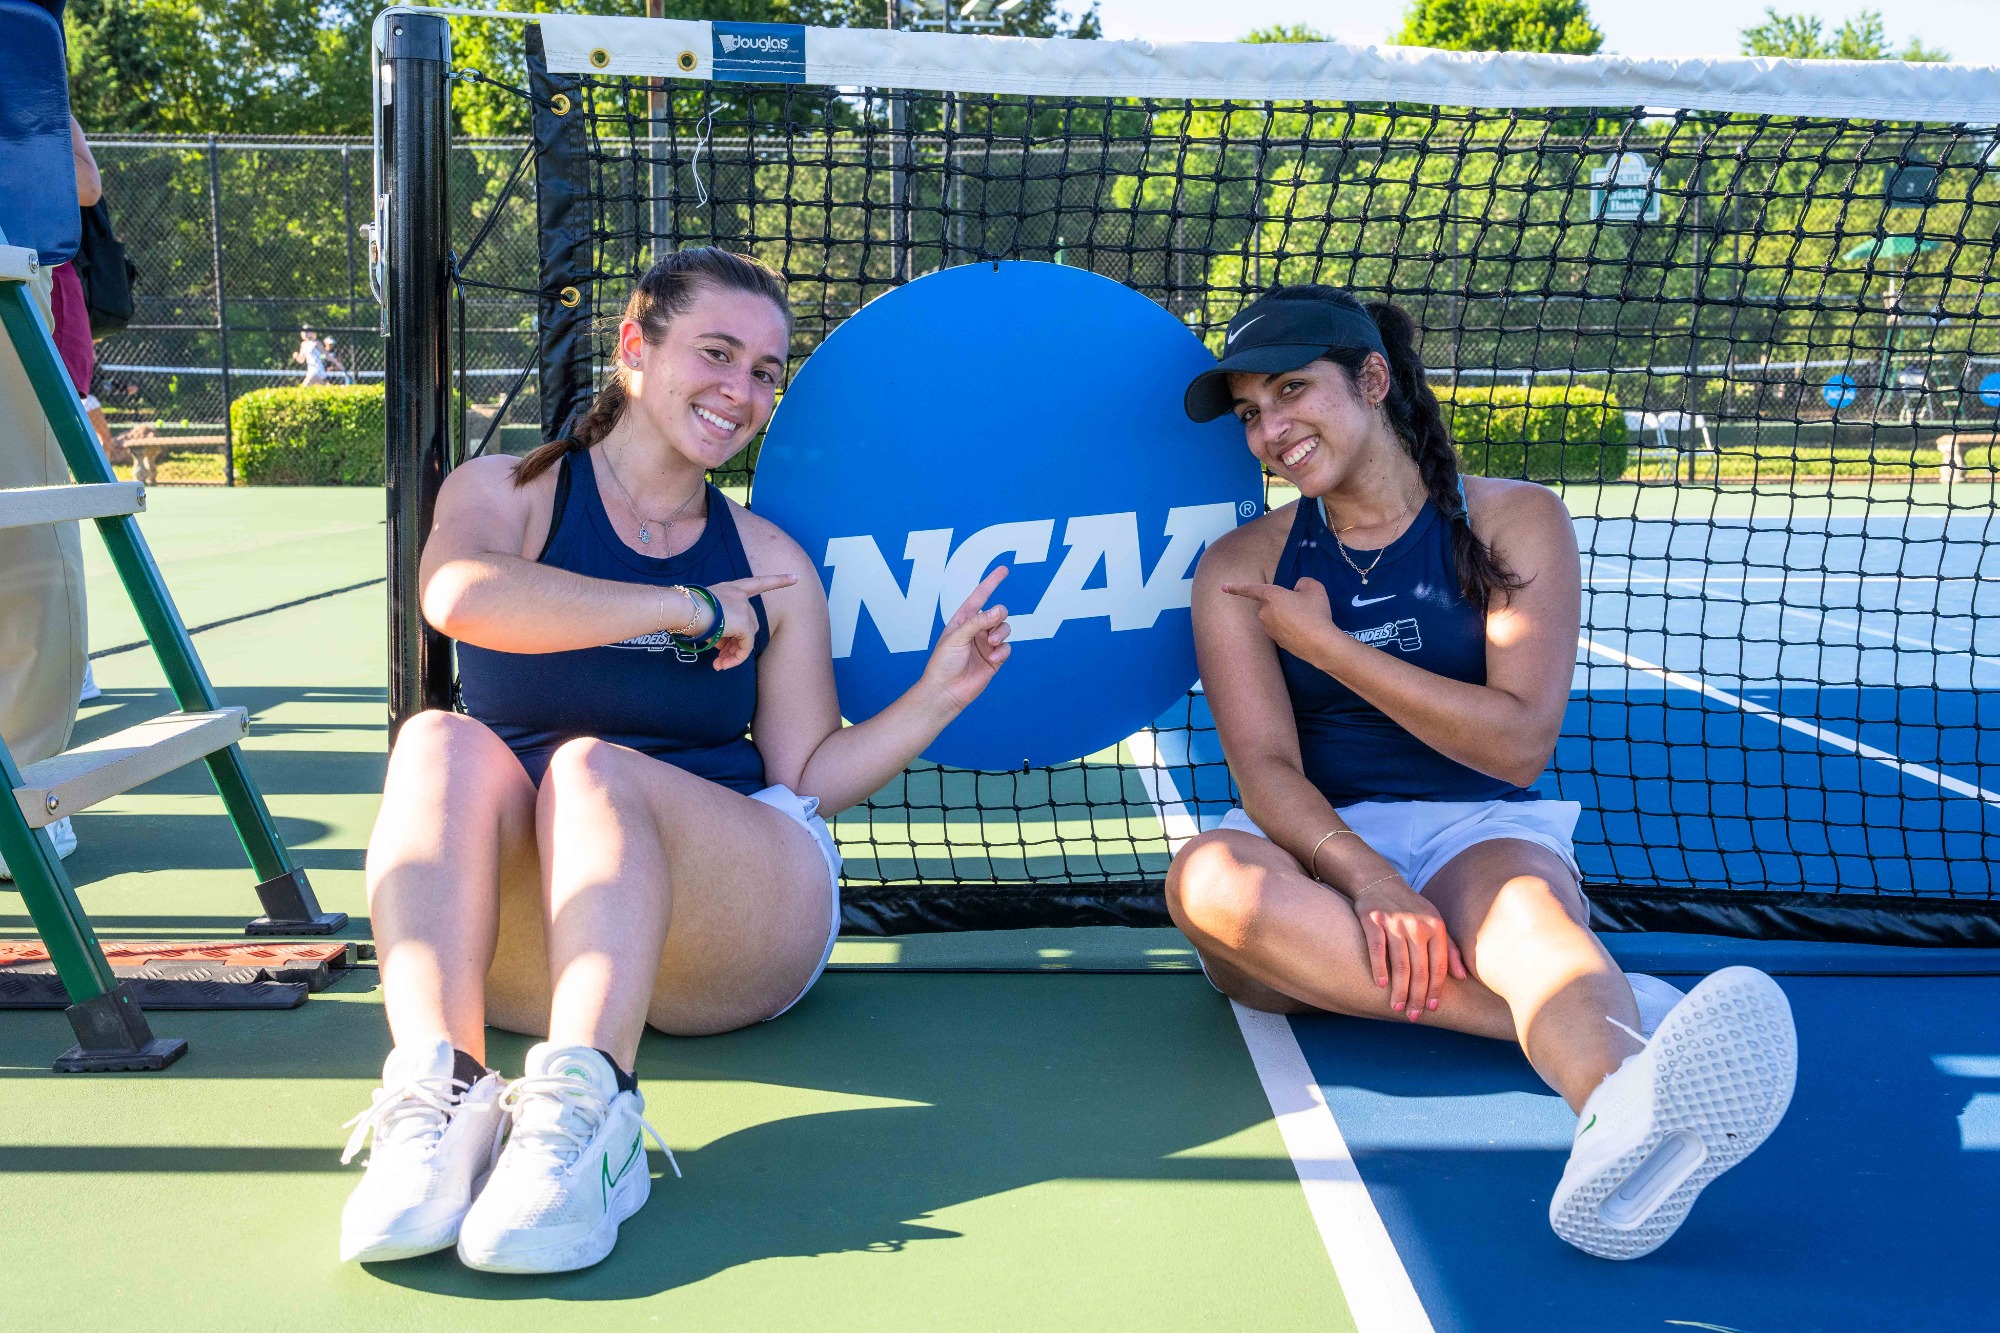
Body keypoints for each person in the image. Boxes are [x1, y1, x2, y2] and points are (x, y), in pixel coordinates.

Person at [339, 247, 1013, 1274]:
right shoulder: (506, 493)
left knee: (589, 771)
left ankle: (588, 1116)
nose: (740, 392)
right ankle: (437, 1099)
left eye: (764, 371)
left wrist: (934, 700)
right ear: (632, 349)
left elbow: (809, 775)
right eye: (716, 353)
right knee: (437, 738)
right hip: (544, 940)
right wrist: (681, 609)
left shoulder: (770, 560)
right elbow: (459, 594)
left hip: (740, 922)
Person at [1166, 285, 1797, 1261]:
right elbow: (1264, 769)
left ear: (1372, 379)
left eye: (1292, 389)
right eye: (1251, 412)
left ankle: (1609, 1112)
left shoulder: (1516, 519)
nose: (1270, 429)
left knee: (1529, 925)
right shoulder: (1237, 566)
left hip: (1477, 827)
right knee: (1208, 884)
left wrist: (1329, 649)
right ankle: (1611, 1025)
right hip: (1315, 838)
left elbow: (1512, 745)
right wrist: (1368, 879)